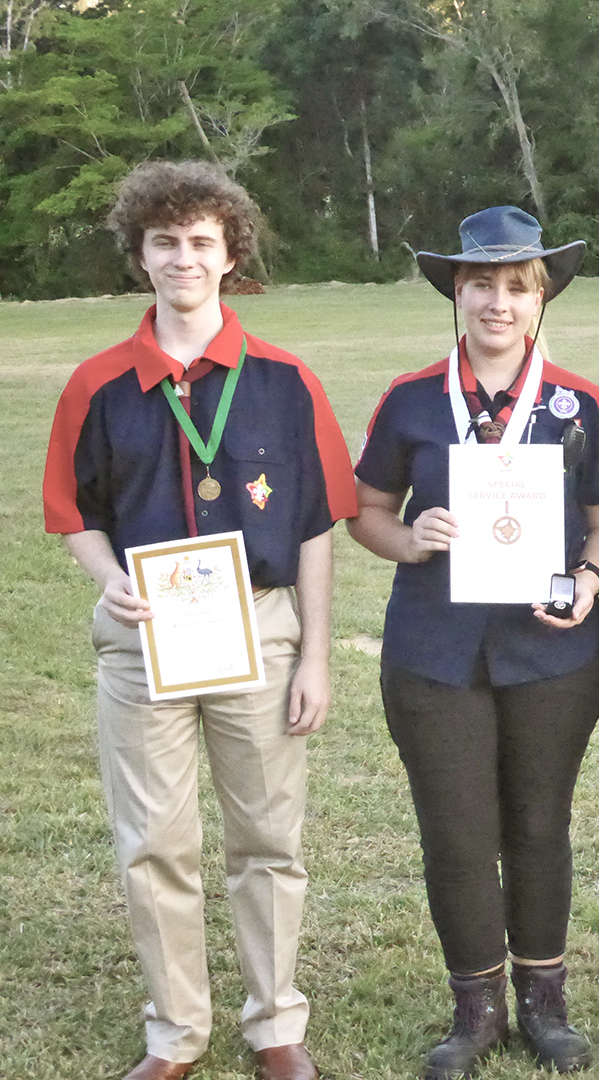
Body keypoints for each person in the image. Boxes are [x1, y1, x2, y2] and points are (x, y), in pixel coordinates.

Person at [41, 162, 357, 1080]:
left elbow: (314, 529)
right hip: (143, 638)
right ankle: (174, 1033)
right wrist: (107, 579)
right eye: (166, 242)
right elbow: (76, 514)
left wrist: (315, 659)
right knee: (154, 844)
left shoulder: (286, 380)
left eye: (202, 243)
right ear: (141, 256)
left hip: (259, 631)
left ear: (231, 256)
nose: (184, 258)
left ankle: (275, 1027)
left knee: (268, 839)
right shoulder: (96, 384)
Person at [348, 205, 599, 1078]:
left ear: (541, 298)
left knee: (539, 825)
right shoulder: (410, 398)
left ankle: (545, 1003)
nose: (498, 303)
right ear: (457, 293)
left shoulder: (579, 401)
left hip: (551, 652)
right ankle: (475, 1009)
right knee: (458, 832)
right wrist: (409, 537)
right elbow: (364, 512)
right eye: (482, 285)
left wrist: (587, 585)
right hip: (435, 652)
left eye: (518, 287)